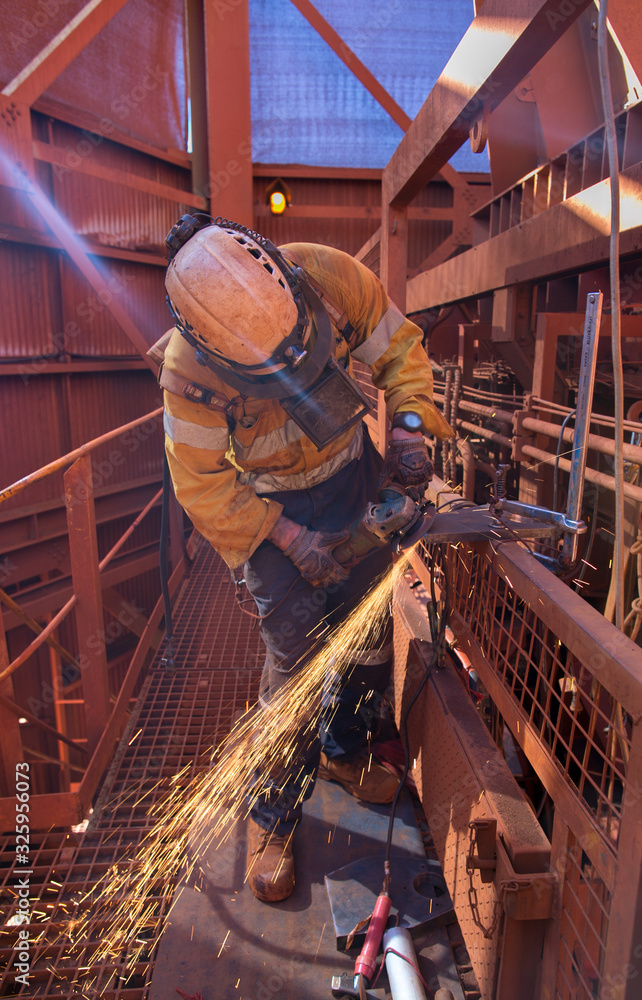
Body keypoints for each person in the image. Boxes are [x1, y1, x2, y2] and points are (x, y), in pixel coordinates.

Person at [153, 216, 451, 902]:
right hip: (268, 517)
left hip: (353, 477)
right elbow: (200, 482)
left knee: (366, 635)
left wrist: (406, 433)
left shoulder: (329, 278)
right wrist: (290, 541)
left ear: (288, 284)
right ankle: (273, 818)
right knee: (291, 665)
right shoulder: (188, 369)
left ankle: (343, 751)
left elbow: (400, 350)